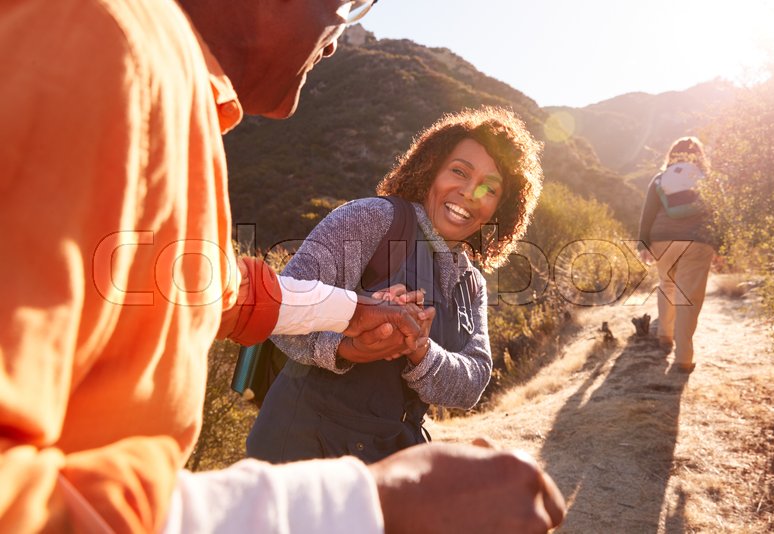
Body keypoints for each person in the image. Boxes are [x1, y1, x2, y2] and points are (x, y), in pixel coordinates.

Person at [0, 0, 564, 532]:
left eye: (489, 187)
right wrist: (368, 507)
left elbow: (208, 287)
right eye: (348, 3)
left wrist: (360, 316)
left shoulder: (180, 92)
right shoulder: (101, 42)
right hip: (306, 446)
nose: (341, 35)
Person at [247, 107, 543, 464]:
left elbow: (473, 383)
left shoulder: (472, 283)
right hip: (300, 454)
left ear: (500, 208)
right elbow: (281, 310)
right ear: (431, 170)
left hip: (390, 462)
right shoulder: (372, 219)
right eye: (459, 171)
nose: (468, 192)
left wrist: (419, 348)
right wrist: (348, 343)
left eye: (488, 188)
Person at [637, 136, 717, 373]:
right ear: (699, 156)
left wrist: (643, 244)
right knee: (688, 298)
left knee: (667, 285)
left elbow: (648, 211)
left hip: (662, 239)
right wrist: (724, 247)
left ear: (672, 155)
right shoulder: (707, 180)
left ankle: (664, 335)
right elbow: (717, 214)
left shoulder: (661, 179)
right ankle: (683, 358)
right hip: (697, 242)